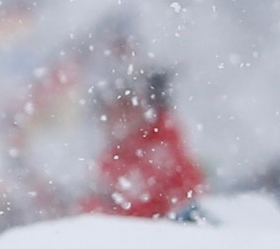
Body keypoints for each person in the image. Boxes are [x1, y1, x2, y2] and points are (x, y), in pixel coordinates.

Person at [85, 65, 205, 221]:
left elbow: (188, 190)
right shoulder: (108, 161)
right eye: (110, 112)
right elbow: (96, 208)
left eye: (127, 107)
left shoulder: (163, 141)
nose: (120, 118)